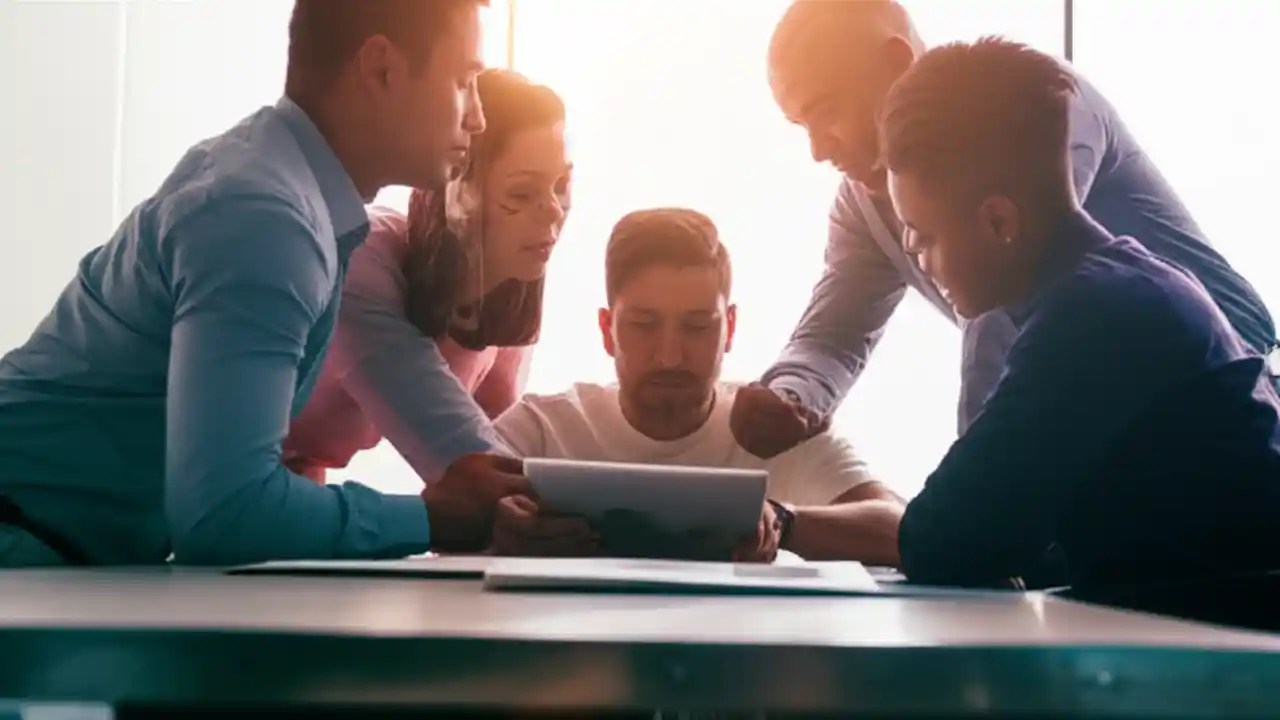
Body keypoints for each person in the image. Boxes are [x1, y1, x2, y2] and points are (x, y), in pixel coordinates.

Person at [0, 0, 530, 567]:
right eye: (464, 81)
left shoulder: (278, 183)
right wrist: (434, 517)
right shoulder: (266, 216)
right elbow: (226, 514)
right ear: (382, 69)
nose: (476, 116)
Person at [733, 0, 1278, 458]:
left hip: (1231, 394)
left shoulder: (1034, 103)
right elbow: (832, 335)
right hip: (1114, 427)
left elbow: (1011, 284)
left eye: (826, 113)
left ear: (895, 65)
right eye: (800, 126)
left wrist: (973, 493)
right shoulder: (862, 205)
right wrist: (792, 395)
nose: (817, 149)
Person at [879, 37, 1280, 589]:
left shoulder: (1094, 319)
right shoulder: (1128, 286)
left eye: (921, 235)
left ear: (999, 223)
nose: (915, 256)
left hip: (1230, 657)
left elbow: (945, 538)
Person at [490, 208, 905, 565]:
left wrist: (784, 521)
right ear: (606, 330)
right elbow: (449, 510)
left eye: (697, 327)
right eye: (644, 325)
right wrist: (493, 525)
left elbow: (903, 528)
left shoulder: (777, 428)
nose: (670, 356)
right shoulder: (541, 427)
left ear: (730, 329)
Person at [283, 68, 572, 486]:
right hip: (196, 451)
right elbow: (460, 453)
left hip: (295, 469)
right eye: (522, 193)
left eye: (561, 184)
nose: (554, 210)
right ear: (459, 196)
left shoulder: (505, 300)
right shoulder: (363, 265)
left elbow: (498, 455)